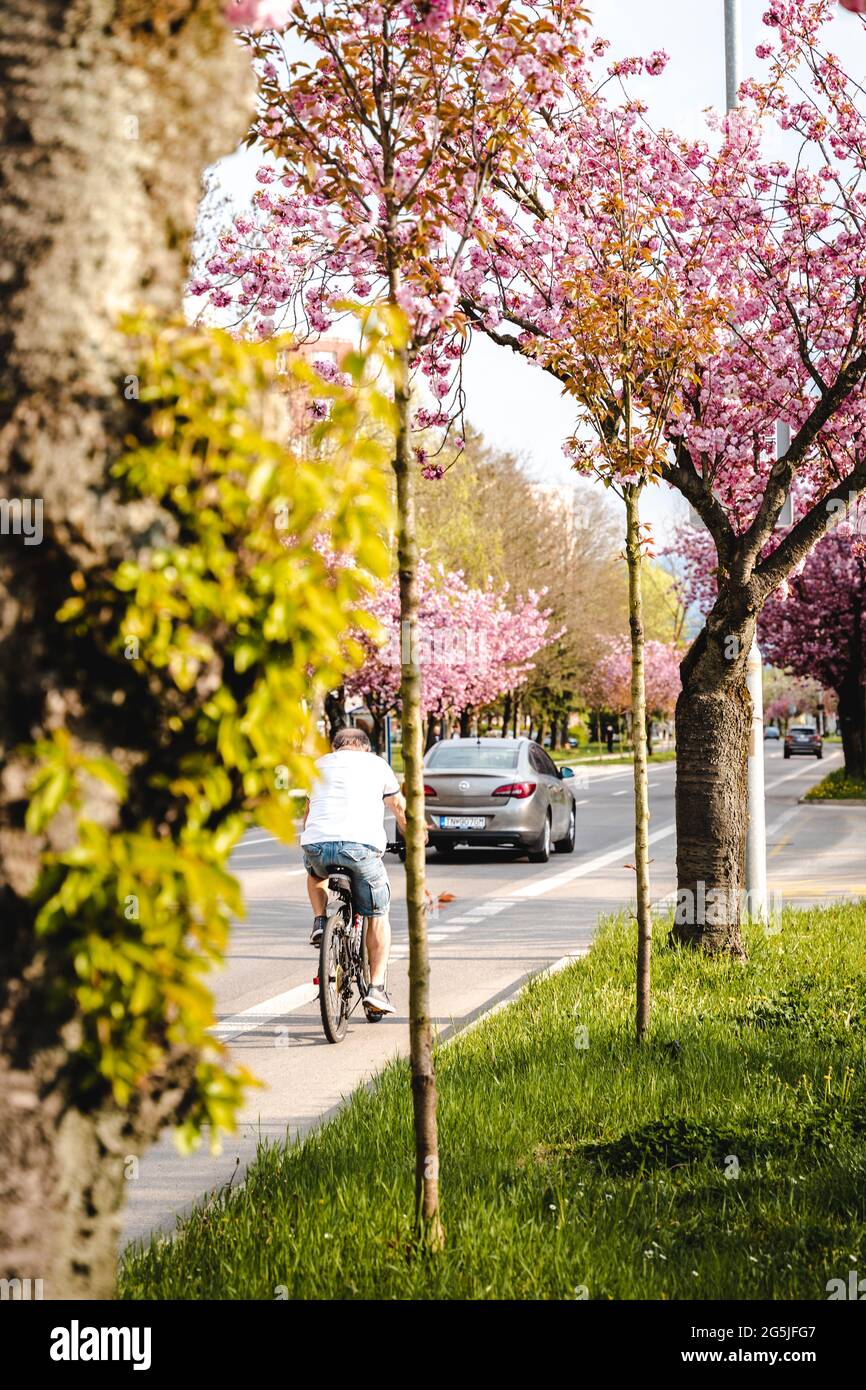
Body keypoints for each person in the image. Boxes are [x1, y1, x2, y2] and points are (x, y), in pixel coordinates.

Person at [301, 726, 407, 1016]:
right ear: (365, 747)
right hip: (360, 850)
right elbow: (398, 807)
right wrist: (414, 837)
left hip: (317, 846)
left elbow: (308, 816)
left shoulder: (318, 766)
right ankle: (377, 989)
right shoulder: (377, 764)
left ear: (335, 747)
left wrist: (315, 842)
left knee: (314, 874)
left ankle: (321, 922)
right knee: (377, 914)